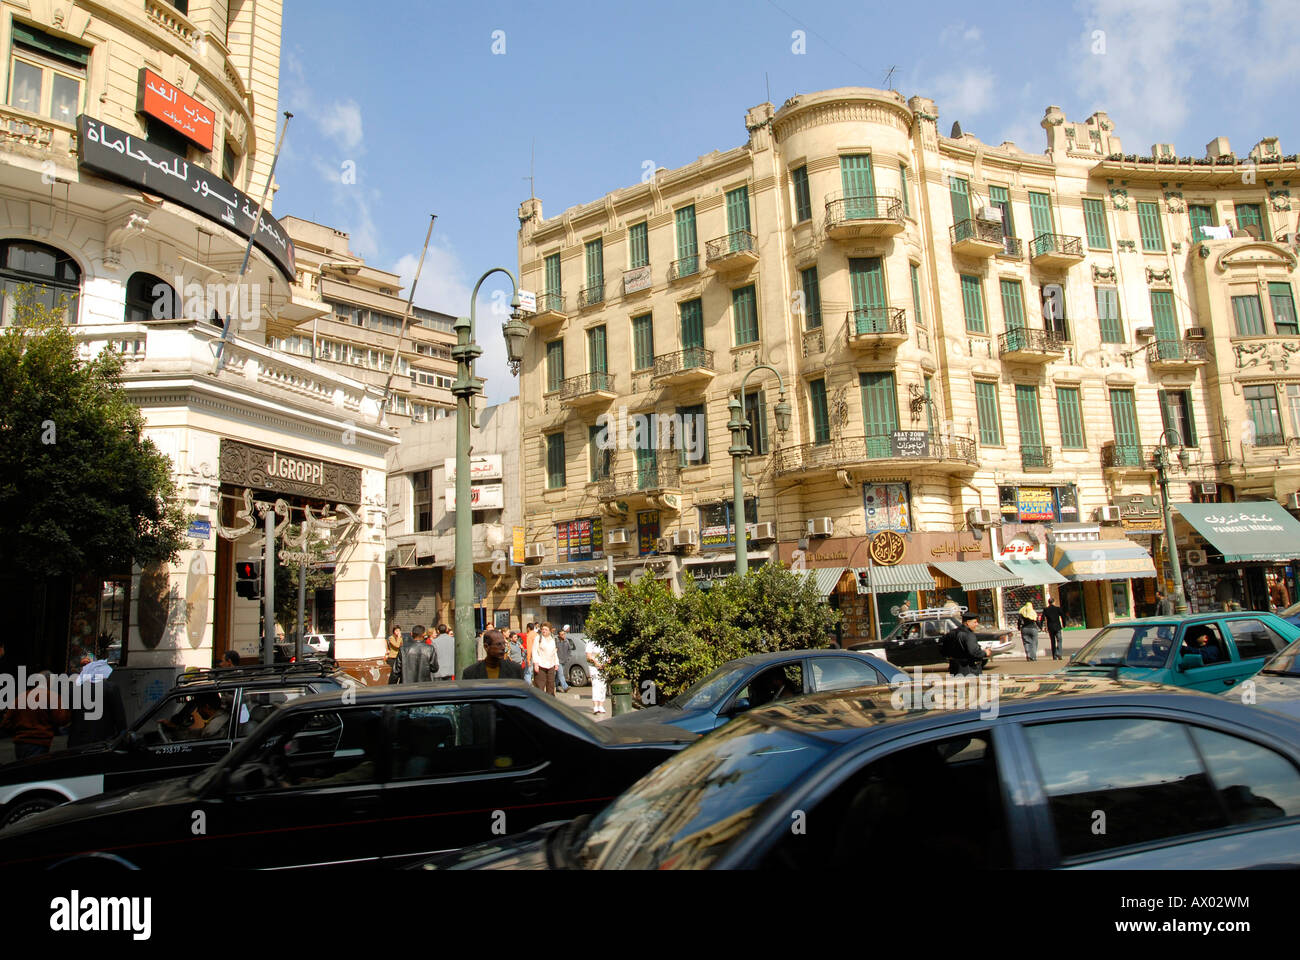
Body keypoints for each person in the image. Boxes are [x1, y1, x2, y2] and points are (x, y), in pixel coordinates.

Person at [1, 673, 71, 759]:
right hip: (40, 742)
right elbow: (62, 720)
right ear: (49, 682)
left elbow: (6, 722)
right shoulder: (53, 697)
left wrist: (18, 731)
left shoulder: (21, 697)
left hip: (20, 743)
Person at [532, 622, 559, 696]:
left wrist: (556, 663)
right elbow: (534, 651)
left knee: (550, 686)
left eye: (546, 629)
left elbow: (554, 652)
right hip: (541, 665)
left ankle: (550, 703)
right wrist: (536, 664)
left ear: (550, 630)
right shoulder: (538, 638)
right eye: (543, 629)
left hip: (550, 665)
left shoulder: (552, 639)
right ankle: (539, 703)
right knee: (540, 686)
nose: (544, 631)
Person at [587, 638, 608, 714]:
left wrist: (606, 663)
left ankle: (601, 705)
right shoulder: (591, 642)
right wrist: (595, 662)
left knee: (603, 685)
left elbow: (610, 655)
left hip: (605, 666)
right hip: (594, 667)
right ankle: (595, 706)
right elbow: (588, 656)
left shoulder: (606, 642)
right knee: (596, 684)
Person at [554, 626, 571, 693]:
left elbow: (569, 650)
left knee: (558, 675)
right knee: (561, 674)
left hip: (564, 660)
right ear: (559, 635)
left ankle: (556, 686)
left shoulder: (567, 641)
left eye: (564, 634)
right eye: (562, 634)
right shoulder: (556, 641)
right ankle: (565, 687)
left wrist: (568, 657)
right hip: (558, 661)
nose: (563, 635)